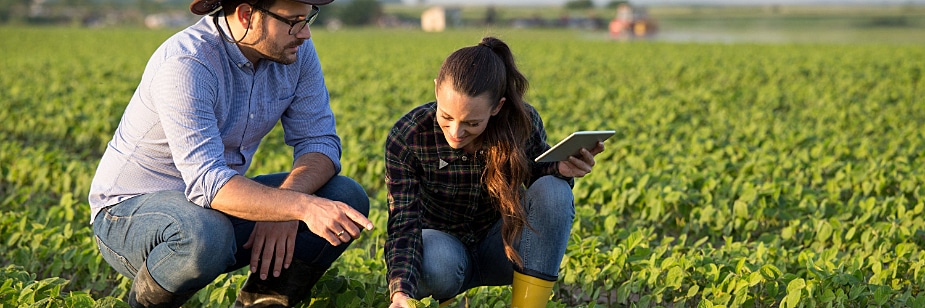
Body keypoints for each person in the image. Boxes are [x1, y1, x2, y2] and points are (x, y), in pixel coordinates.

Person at [87, 0, 373, 306]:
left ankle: (260, 301)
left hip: (213, 208)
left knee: (344, 194)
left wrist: (287, 205)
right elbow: (207, 182)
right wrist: (299, 207)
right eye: (293, 21)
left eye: (307, 19)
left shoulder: (294, 53)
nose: (305, 34)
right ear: (246, 15)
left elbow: (320, 143)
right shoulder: (188, 61)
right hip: (127, 216)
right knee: (205, 234)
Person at [383, 37, 605, 308]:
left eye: (472, 123)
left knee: (554, 189)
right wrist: (400, 293)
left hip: (503, 246)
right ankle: (445, 297)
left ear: (497, 107)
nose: (456, 132)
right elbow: (403, 222)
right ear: (436, 91)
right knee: (433, 261)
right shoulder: (408, 136)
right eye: (446, 117)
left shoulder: (520, 122)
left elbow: (537, 175)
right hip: (444, 251)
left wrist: (560, 168)